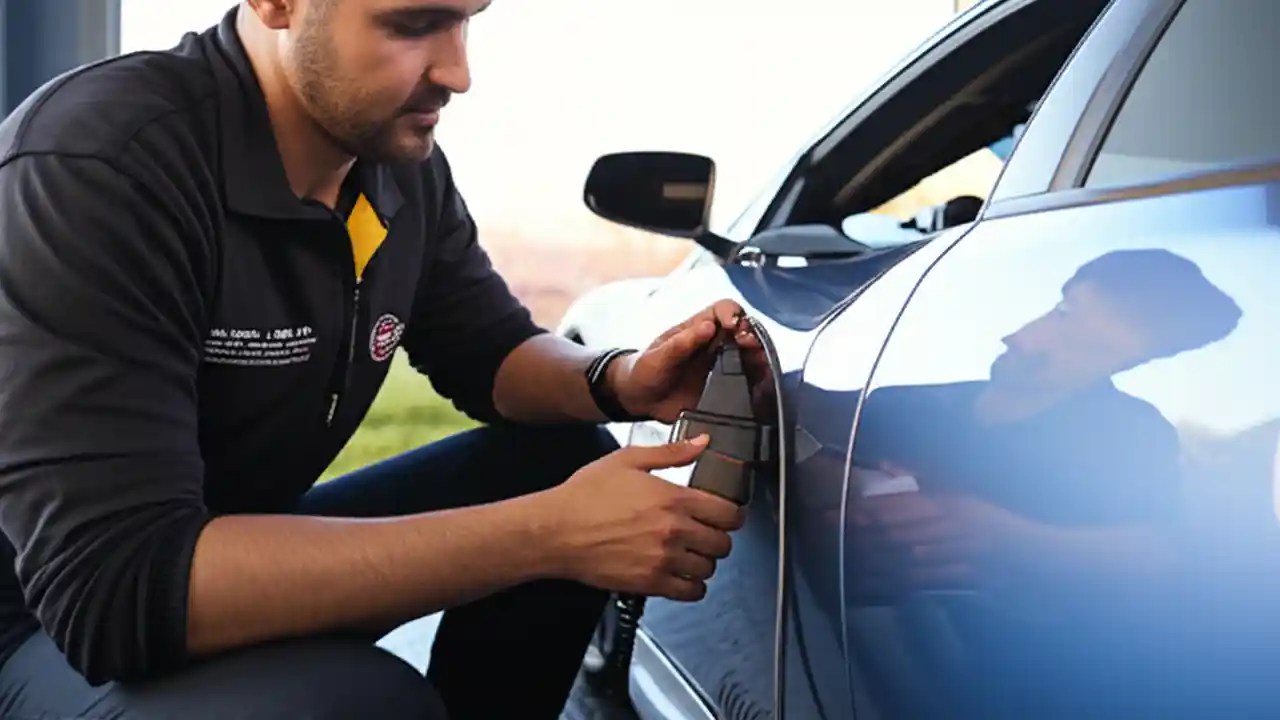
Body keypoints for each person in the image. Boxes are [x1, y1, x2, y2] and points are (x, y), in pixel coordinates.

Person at [0, 1, 753, 717]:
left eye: (464, 21)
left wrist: (620, 379)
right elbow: (119, 593)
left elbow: (489, 350)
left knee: (556, 459)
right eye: (412, 25)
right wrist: (548, 535)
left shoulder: (390, 161)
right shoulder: (100, 166)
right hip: (49, 619)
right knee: (359, 703)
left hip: (212, 545)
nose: (458, 73)